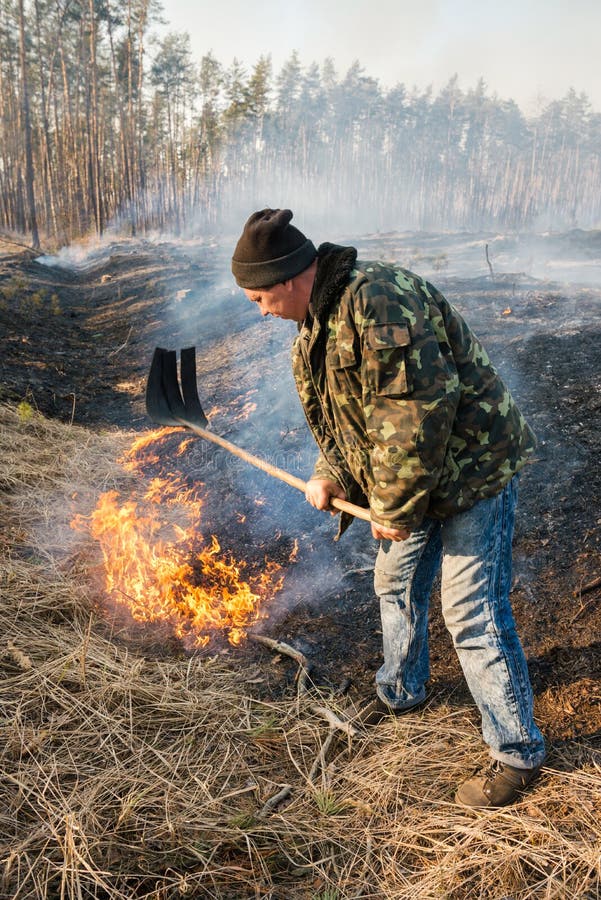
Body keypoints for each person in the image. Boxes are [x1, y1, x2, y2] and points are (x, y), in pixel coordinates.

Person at [231, 208, 546, 808]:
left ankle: (517, 752)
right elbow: (344, 425)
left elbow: (414, 416)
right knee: (395, 582)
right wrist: (330, 473)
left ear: (291, 279)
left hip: (469, 473)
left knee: (471, 612)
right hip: (412, 481)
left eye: (259, 299)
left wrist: (396, 510)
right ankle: (401, 688)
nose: (260, 312)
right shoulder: (315, 330)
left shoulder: (377, 302)